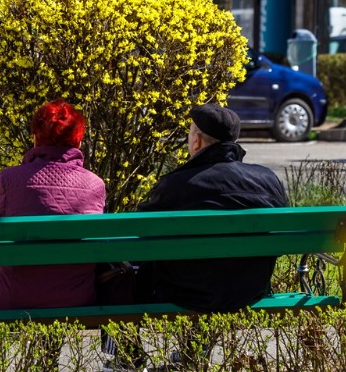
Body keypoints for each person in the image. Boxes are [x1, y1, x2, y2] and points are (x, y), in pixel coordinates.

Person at [101, 102, 289, 311]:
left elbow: (141, 235)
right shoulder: (268, 180)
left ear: (197, 140)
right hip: (250, 292)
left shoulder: (175, 185)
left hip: (183, 294)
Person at [0, 99, 106, 310]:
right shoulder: (95, 185)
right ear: (78, 142)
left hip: (9, 296)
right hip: (74, 297)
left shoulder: (10, 179)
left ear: (35, 138)